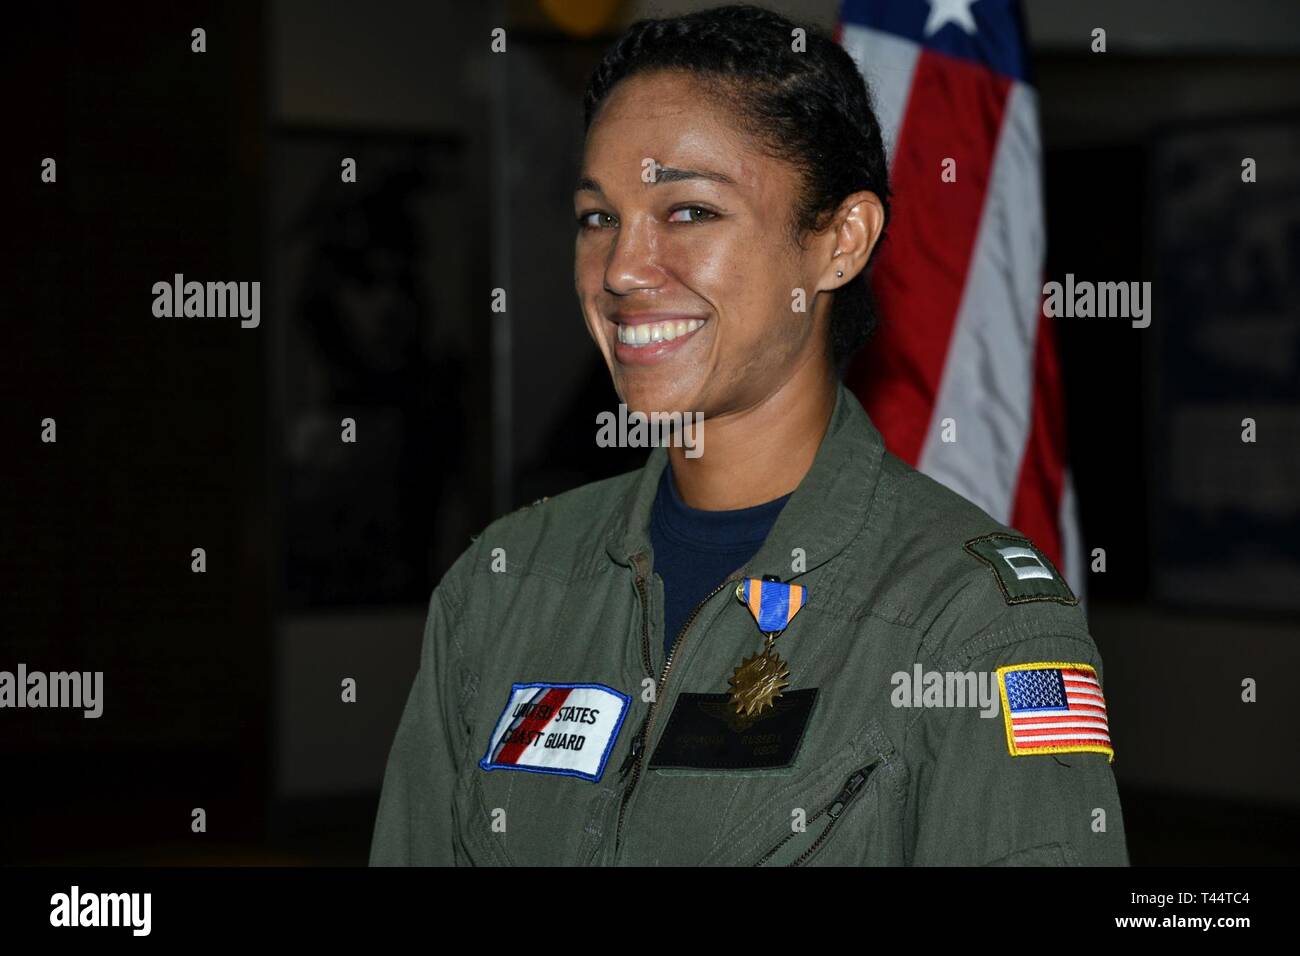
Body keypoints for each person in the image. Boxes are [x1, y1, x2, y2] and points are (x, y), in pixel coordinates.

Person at [370, 3, 1127, 866]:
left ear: (841, 242)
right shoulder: (505, 585)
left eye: (689, 211)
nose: (620, 268)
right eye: (598, 217)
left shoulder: (976, 624)